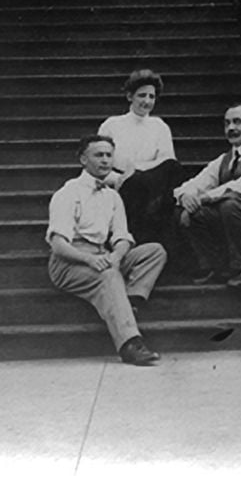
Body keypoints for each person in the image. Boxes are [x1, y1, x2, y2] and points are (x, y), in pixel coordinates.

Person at [47, 135, 167, 366]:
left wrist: (116, 255)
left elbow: (122, 237)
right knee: (110, 275)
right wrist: (90, 259)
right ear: (83, 159)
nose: (105, 160)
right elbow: (59, 245)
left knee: (155, 251)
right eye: (98, 155)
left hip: (103, 255)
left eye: (109, 155)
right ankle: (130, 344)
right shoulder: (68, 193)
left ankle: (129, 300)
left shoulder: (112, 196)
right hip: (71, 261)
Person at [174, 104, 241, 288]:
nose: (231, 128)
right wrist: (186, 196)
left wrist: (202, 199)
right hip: (233, 228)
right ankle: (216, 267)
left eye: (237, 122)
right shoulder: (224, 160)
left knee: (229, 205)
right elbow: (196, 183)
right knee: (192, 213)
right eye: (227, 123)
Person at [98, 69, 186, 245]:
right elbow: (99, 164)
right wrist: (122, 178)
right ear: (130, 96)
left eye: (151, 97)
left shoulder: (159, 126)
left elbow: (168, 163)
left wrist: (137, 169)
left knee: (172, 170)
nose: (147, 101)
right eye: (141, 95)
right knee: (135, 185)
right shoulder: (112, 124)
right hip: (122, 184)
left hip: (153, 186)